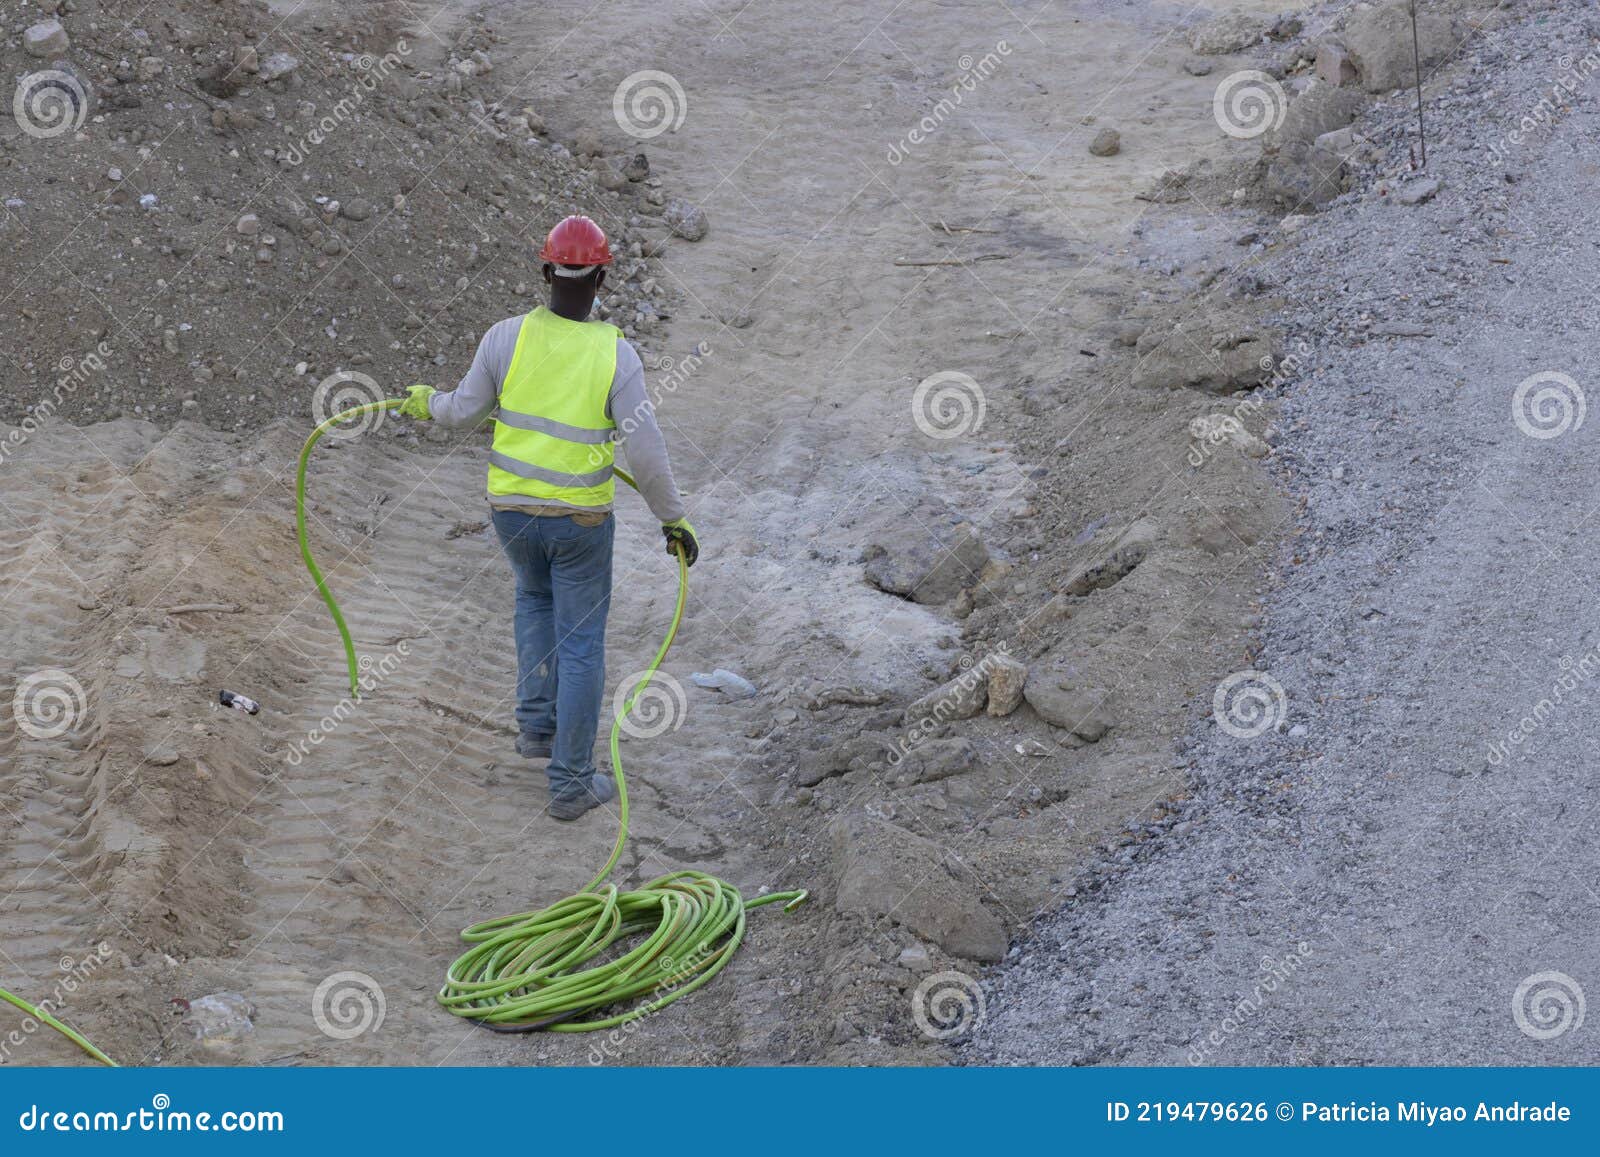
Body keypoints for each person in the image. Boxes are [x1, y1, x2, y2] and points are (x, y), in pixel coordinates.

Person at [399, 214, 698, 821]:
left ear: (545, 271)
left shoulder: (505, 337)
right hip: (579, 524)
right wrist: (673, 519)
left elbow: (460, 413)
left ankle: (537, 729)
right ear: (602, 280)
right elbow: (644, 451)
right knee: (582, 643)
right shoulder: (616, 355)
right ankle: (570, 782)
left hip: (511, 515)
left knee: (533, 606)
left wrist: (423, 403)